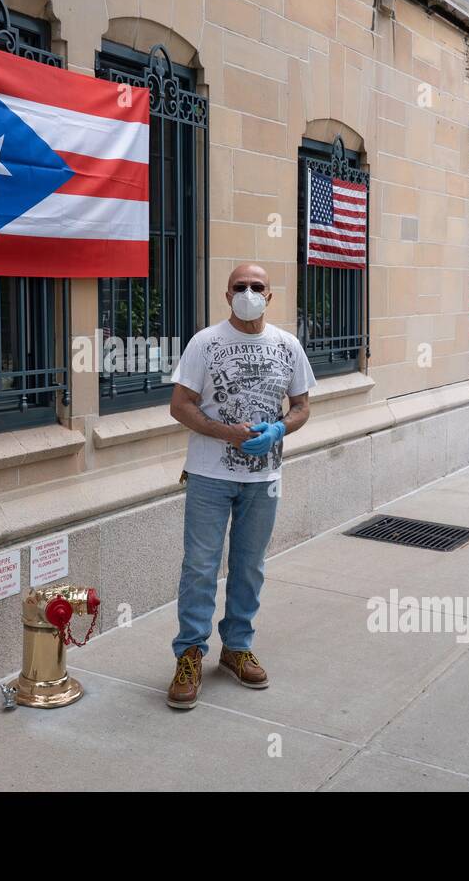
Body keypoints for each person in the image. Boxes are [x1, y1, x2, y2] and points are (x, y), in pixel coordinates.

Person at [164, 262, 316, 709]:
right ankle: (190, 653)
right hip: (210, 475)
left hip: (264, 479)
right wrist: (224, 433)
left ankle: (236, 647)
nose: (248, 292)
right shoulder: (205, 343)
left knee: (250, 566)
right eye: (239, 286)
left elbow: (303, 405)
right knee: (200, 568)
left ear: (270, 296)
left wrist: (280, 430)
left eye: (257, 287)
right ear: (226, 294)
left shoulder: (287, 345)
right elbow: (180, 405)